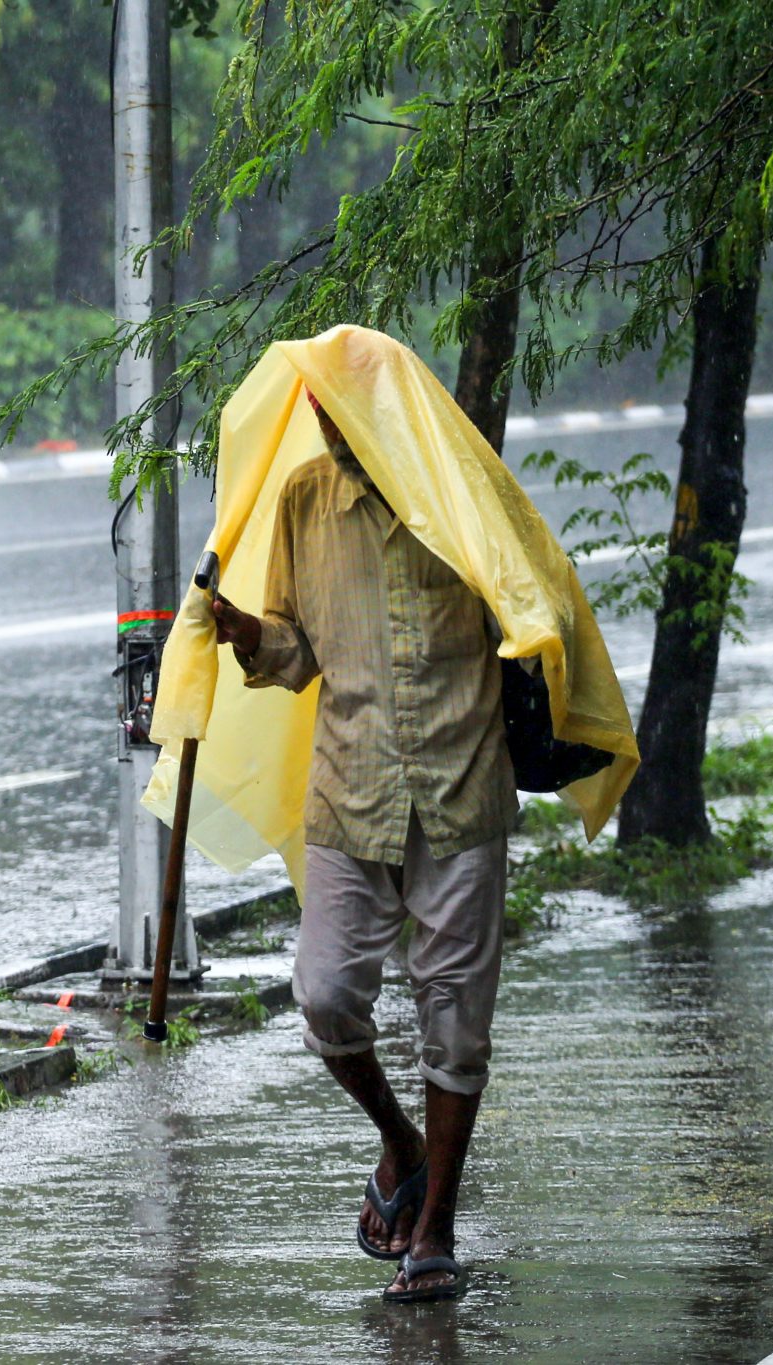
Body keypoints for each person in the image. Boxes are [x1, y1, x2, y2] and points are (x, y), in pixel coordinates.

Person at [207, 389, 513, 1305]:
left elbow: (530, 601)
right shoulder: (306, 497)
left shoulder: (463, 486)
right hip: (351, 790)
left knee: (455, 1020)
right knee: (328, 995)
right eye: (326, 412)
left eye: (351, 408)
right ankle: (401, 1139)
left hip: (462, 782)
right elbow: (298, 649)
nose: (337, 427)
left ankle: (438, 1229)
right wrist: (249, 635)